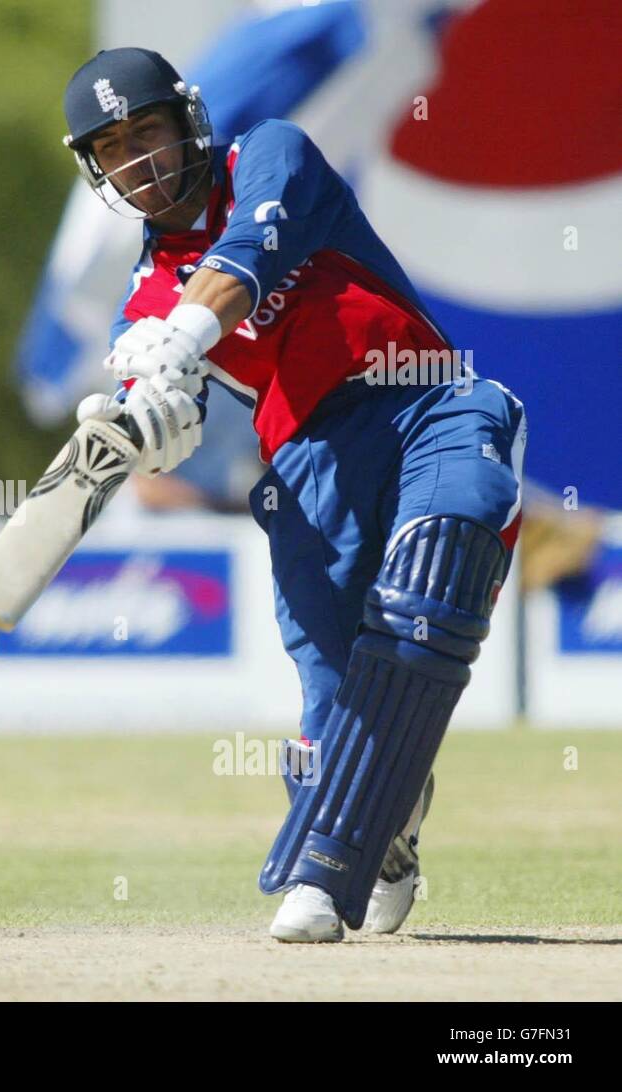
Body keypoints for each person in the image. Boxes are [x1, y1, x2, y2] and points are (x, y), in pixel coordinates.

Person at [64, 49, 527, 941]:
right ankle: (389, 828)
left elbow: (251, 252)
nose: (140, 161)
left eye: (149, 131)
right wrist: (148, 417)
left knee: (439, 565)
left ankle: (325, 869)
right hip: (310, 465)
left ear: (189, 121)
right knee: (332, 690)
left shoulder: (269, 156)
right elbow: (171, 416)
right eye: (113, 148)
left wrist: (182, 336)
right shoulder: (142, 304)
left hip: (424, 399)